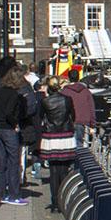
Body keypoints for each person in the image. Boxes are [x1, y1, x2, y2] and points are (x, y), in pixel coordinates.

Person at [37, 77, 76, 211]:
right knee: (64, 170)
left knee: (53, 171)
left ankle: (54, 201)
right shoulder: (67, 99)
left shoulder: (45, 101)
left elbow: (40, 116)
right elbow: (73, 116)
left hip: (50, 136)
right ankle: (63, 200)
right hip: (65, 135)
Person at [0, 65, 28, 205]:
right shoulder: (14, 94)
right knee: (13, 162)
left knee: (1, 162)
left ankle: (0, 194)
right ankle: (14, 194)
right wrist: (15, 124)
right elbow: (9, 112)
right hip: (8, 129)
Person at [60, 69, 95, 146]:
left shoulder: (64, 92)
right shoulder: (86, 91)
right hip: (82, 120)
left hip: (68, 121)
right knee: (79, 144)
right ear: (79, 78)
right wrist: (92, 124)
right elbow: (91, 108)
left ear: (68, 78)